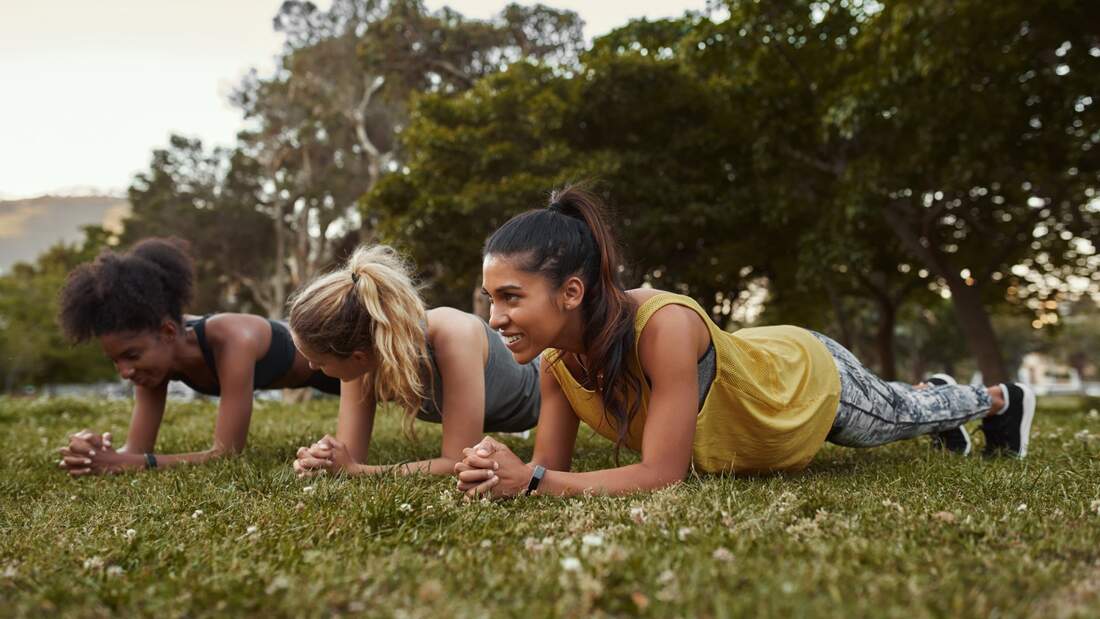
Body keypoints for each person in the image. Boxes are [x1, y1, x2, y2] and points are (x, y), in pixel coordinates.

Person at [454, 185, 1036, 498]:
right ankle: (934, 399)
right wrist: (499, 469)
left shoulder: (662, 328)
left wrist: (531, 481)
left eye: (510, 296)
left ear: (572, 292)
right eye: (490, 299)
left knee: (897, 417)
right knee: (904, 403)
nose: (495, 317)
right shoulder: (558, 362)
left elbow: (661, 474)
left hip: (799, 383)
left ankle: (999, 400)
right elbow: (548, 469)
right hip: (759, 369)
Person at [55, 238, 340, 475]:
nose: (125, 371)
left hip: (341, 365)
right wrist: (96, 453)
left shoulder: (232, 339)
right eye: (115, 360)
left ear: (167, 331)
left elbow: (226, 454)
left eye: (131, 355)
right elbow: (135, 451)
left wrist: (126, 463)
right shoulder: (153, 362)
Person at [288, 244, 540, 478]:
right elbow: (350, 455)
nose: (311, 367)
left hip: (537, 394)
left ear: (357, 357)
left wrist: (358, 471)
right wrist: (325, 460)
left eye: (319, 362)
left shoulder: (454, 334)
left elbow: (457, 460)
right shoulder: (365, 350)